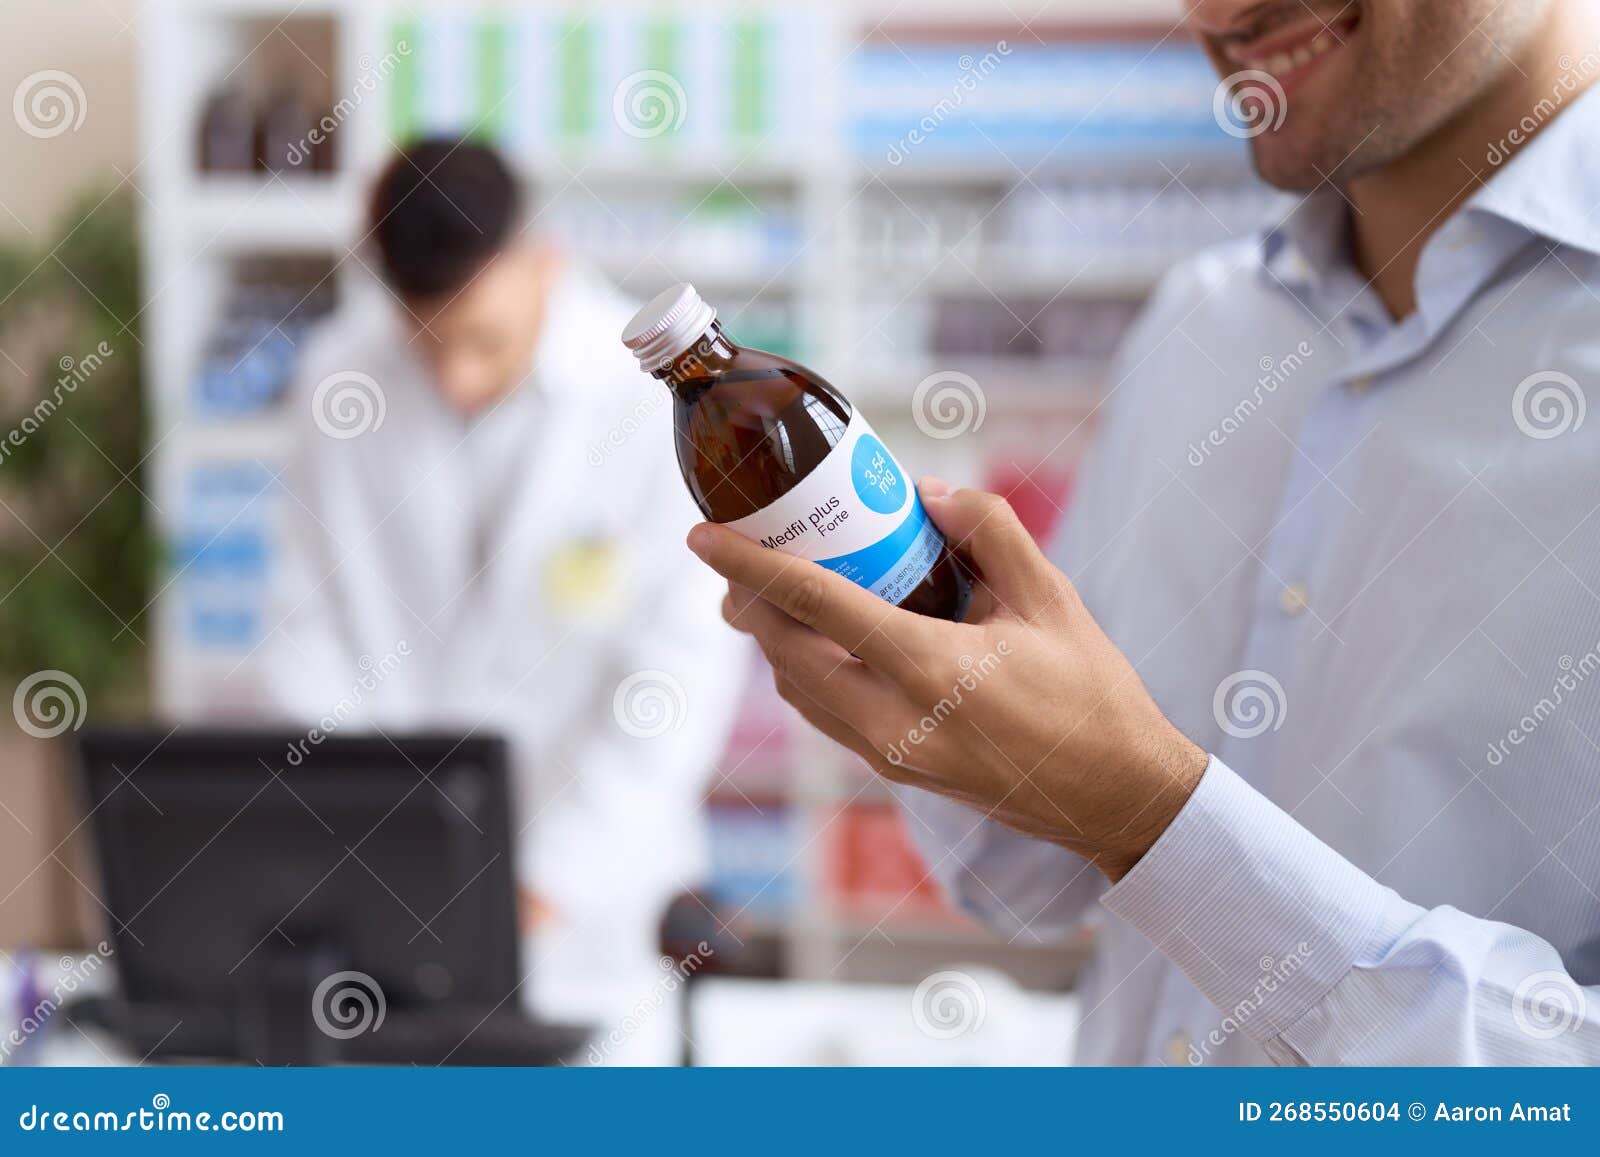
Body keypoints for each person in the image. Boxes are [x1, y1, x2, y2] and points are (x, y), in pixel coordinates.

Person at [690, 0, 1600, 1065]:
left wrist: (1151, 817)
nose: (1219, 14)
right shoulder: (1203, 324)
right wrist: (918, 686)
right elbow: (1028, 882)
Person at [263, 138, 744, 1063]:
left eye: (483, 342)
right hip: (383, 905)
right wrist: (376, 842)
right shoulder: (339, 377)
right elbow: (305, 631)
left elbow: (677, 681)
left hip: (591, 917)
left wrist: (534, 888)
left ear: (541, 258)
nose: (457, 380)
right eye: (427, 346)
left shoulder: (651, 402)